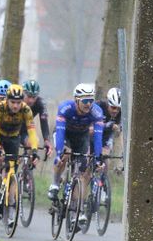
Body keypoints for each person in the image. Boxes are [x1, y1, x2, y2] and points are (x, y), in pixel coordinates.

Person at [50, 83, 105, 224]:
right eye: (85, 101)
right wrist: (59, 152)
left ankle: (77, 209)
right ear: (76, 100)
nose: (88, 104)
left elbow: (98, 138)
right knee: (64, 155)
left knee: (83, 171)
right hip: (65, 134)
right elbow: (60, 133)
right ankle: (55, 183)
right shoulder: (66, 108)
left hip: (81, 137)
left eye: (91, 100)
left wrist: (98, 158)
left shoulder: (96, 112)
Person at [0, 84, 39, 222]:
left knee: (12, 172)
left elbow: (32, 132)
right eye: (13, 102)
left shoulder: (26, 110)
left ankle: (10, 209)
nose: (16, 106)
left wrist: (34, 150)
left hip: (14, 138)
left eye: (18, 102)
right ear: (7, 100)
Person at [21, 80, 53, 157]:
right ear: (23, 94)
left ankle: (27, 166)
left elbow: (44, 122)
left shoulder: (40, 103)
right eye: (28, 96)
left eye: (34, 97)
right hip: (10, 129)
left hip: (24, 130)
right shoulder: (16, 101)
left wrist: (46, 140)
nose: (31, 100)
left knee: (33, 143)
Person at [98, 87, 123, 156]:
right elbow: (90, 126)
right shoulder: (99, 106)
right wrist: (109, 125)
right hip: (92, 135)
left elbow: (119, 132)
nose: (115, 111)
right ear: (107, 103)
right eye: (113, 107)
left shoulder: (120, 113)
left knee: (105, 158)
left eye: (118, 109)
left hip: (106, 137)